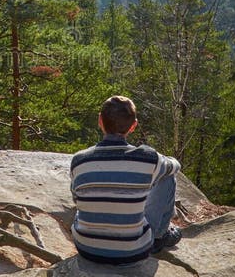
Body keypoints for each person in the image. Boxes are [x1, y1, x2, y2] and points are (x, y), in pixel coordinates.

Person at [70, 94, 182, 264]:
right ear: (133, 126)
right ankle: (159, 237)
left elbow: (76, 199)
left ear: (100, 121)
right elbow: (175, 166)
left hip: (86, 249)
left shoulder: (79, 160)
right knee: (167, 178)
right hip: (133, 252)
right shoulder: (148, 158)